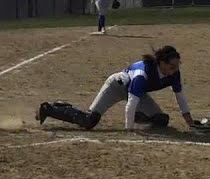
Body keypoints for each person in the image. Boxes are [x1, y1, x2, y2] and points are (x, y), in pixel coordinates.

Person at [36, 46, 199, 131]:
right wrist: (129, 129)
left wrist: (190, 122)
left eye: (177, 65)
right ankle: (50, 108)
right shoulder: (143, 74)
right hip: (117, 86)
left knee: (161, 120)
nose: (175, 69)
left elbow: (180, 97)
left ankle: (139, 116)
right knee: (89, 121)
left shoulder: (173, 74)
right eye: (172, 66)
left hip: (136, 93)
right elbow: (131, 103)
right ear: (161, 63)